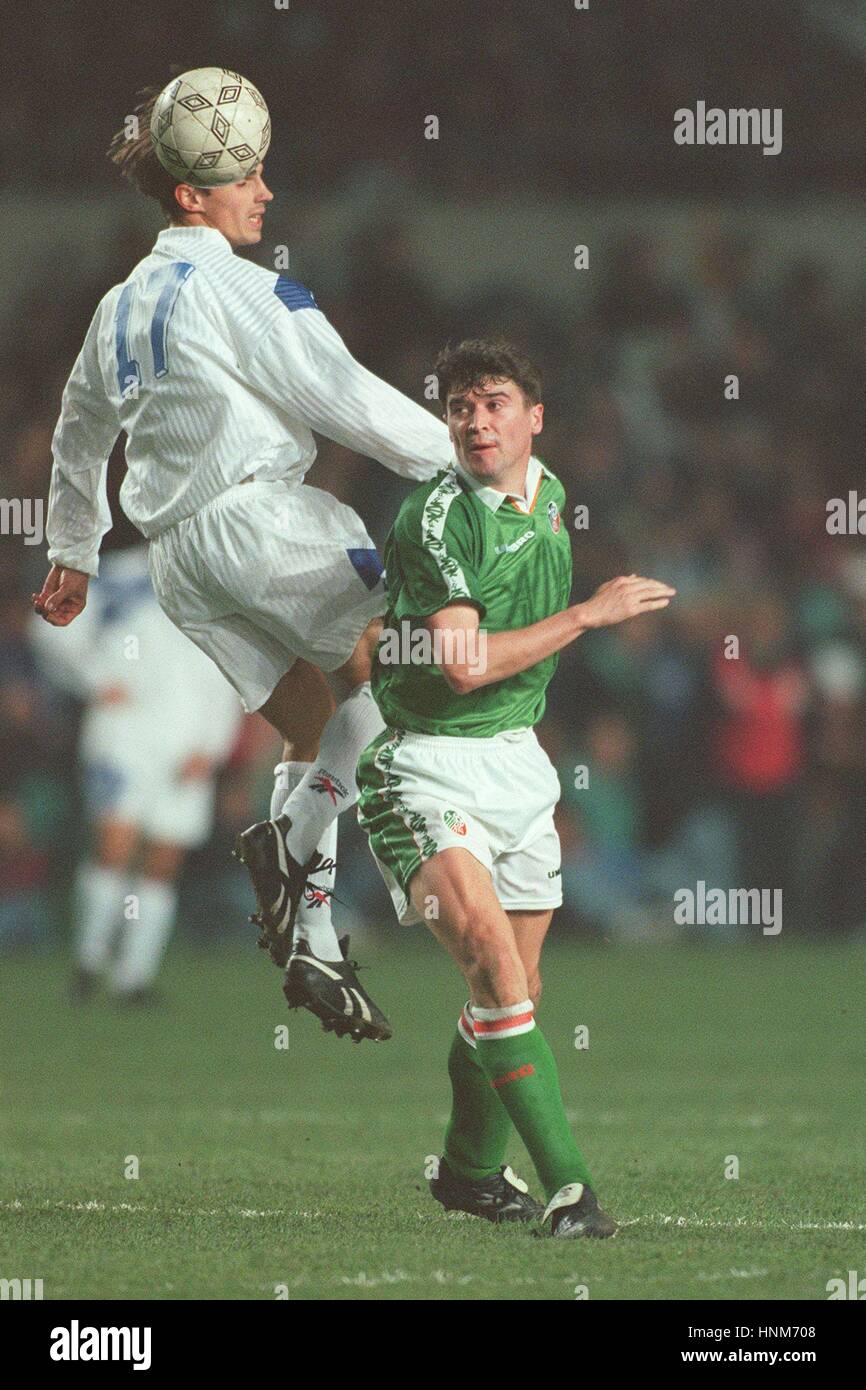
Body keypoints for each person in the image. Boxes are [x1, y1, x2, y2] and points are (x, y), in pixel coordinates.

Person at [34, 69, 458, 1043]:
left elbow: (78, 431)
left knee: (312, 714)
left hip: (181, 560)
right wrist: (479, 467)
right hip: (257, 522)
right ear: (193, 194)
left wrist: (73, 550)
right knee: (391, 669)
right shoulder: (245, 289)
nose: (265, 192)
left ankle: (306, 931)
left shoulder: (116, 307)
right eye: (248, 177)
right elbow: (346, 397)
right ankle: (327, 871)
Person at [356, 339, 676, 1236]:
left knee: (517, 989)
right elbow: (459, 666)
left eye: (495, 402)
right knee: (495, 967)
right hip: (423, 762)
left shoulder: (553, 497)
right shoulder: (433, 515)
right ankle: (574, 1190)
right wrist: (590, 615)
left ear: (535, 418)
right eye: (459, 406)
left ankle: (466, 1171)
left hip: (516, 761)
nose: (475, 420)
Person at [30, 544, 243, 1003]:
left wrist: (213, 745)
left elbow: (232, 670)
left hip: (189, 743)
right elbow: (49, 626)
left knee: (163, 861)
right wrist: (92, 679)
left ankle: (133, 978)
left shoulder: (220, 584)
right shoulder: (119, 575)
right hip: (125, 735)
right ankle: (88, 963)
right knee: (114, 846)